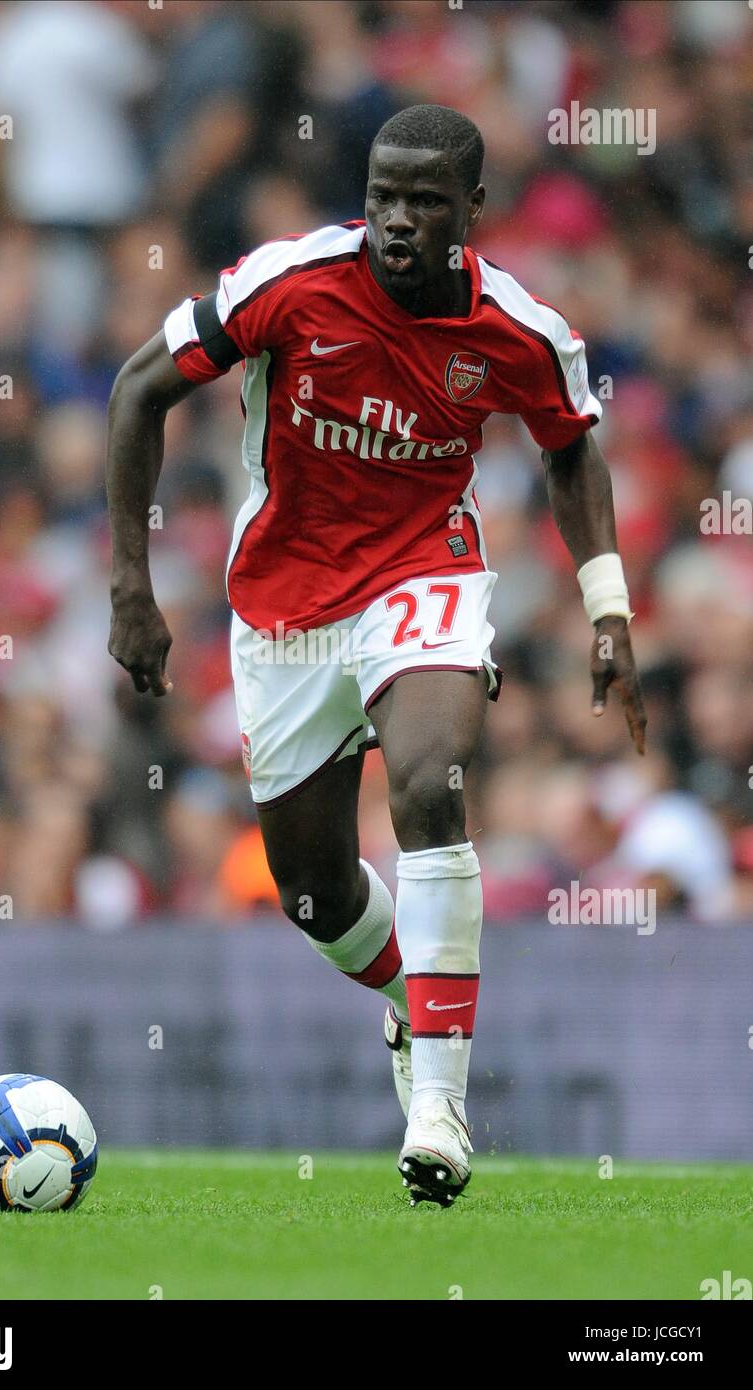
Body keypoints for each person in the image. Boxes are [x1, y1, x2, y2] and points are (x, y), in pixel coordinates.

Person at [106, 104, 646, 1207]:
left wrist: (607, 608)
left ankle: (440, 1104)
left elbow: (570, 446)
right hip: (284, 610)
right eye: (383, 197)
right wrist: (130, 582)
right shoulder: (291, 283)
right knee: (311, 892)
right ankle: (410, 999)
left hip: (424, 579)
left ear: (472, 212)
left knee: (427, 783)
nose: (397, 221)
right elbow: (137, 391)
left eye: (424, 202)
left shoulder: (518, 330)